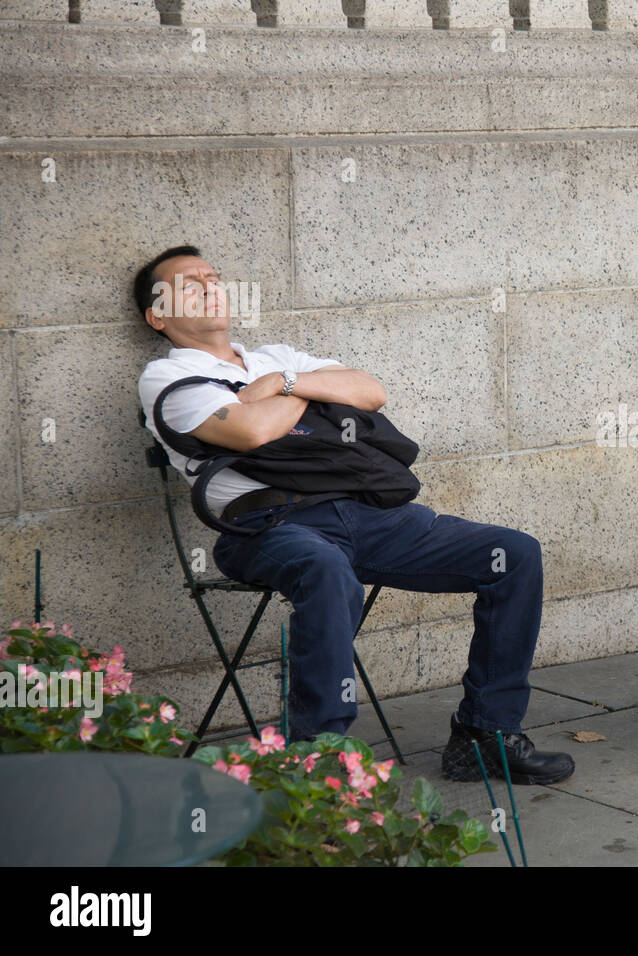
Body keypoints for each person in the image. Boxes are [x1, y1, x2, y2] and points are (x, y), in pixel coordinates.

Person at [134, 245, 574, 784]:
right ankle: (317, 767)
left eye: (213, 276)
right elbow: (249, 432)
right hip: (266, 527)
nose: (209, 285)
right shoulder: (166, 376)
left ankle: (485, 735)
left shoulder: (277, 357)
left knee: (515, 555)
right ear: (158, 315)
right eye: (189, 282)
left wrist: (281, 385)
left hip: (369, 516)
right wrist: (313, 397)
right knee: (324, 570)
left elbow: (370, 391)